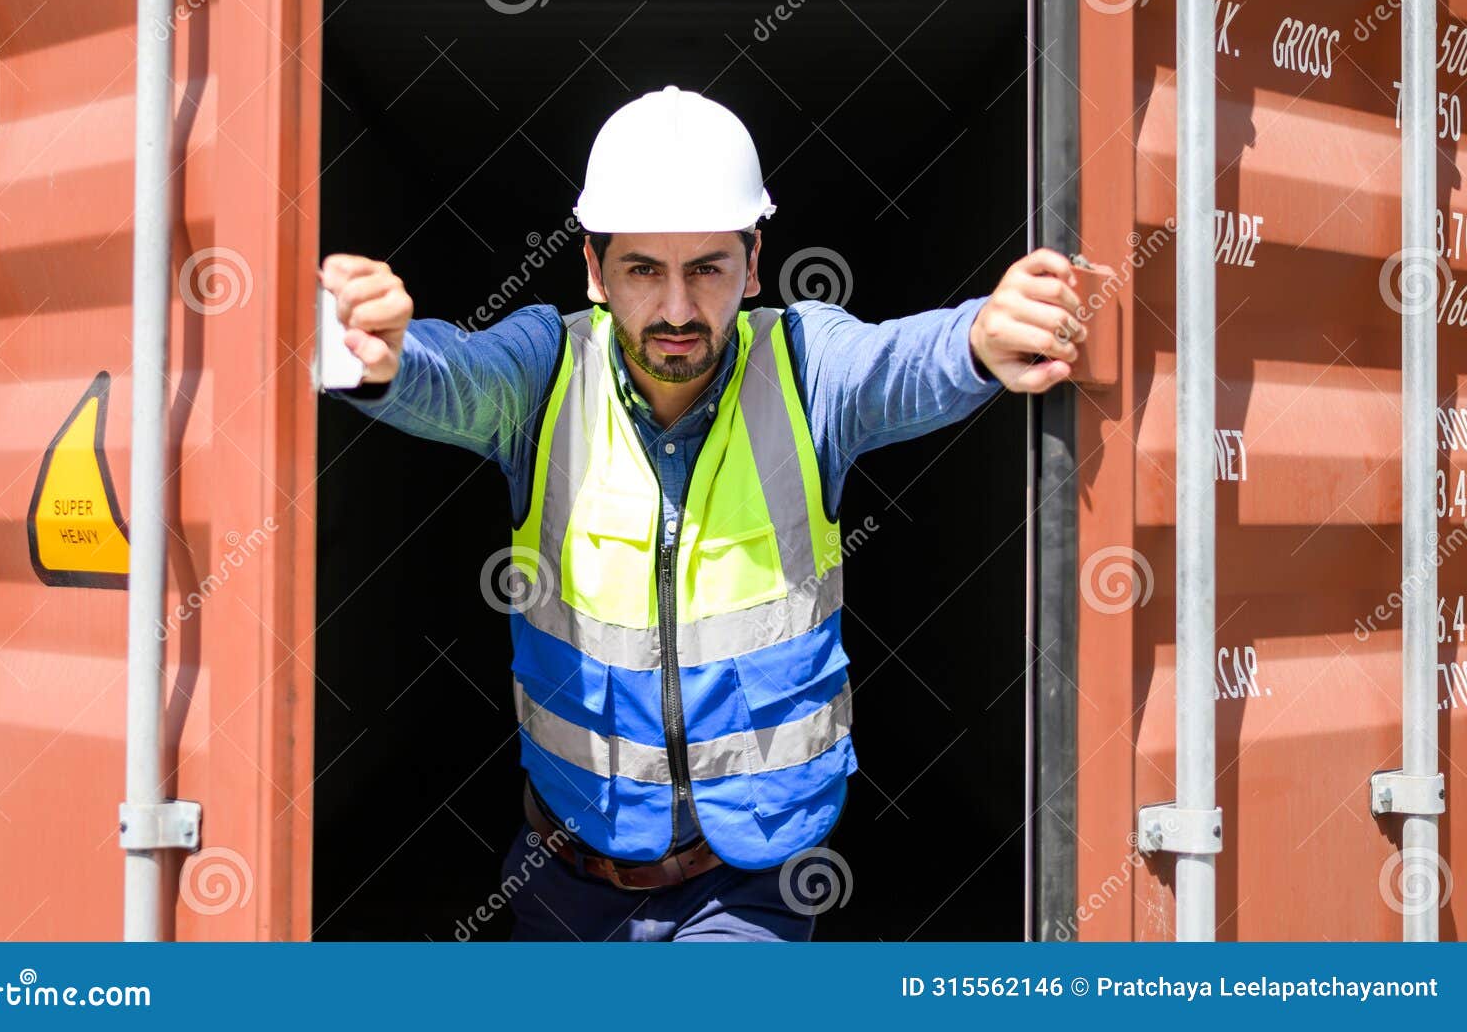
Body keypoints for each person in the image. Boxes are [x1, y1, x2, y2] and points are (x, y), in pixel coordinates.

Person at [320, 85, 1092, 941]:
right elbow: (452, 376)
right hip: (562, 882)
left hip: (749, 885)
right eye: (643, 269)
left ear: (754, 262)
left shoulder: (804, 367)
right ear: (593, 268)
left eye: (708, 268)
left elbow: (895, 362)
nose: (679, 310)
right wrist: (381, 355)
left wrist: (982, 335)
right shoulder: (542, 373)